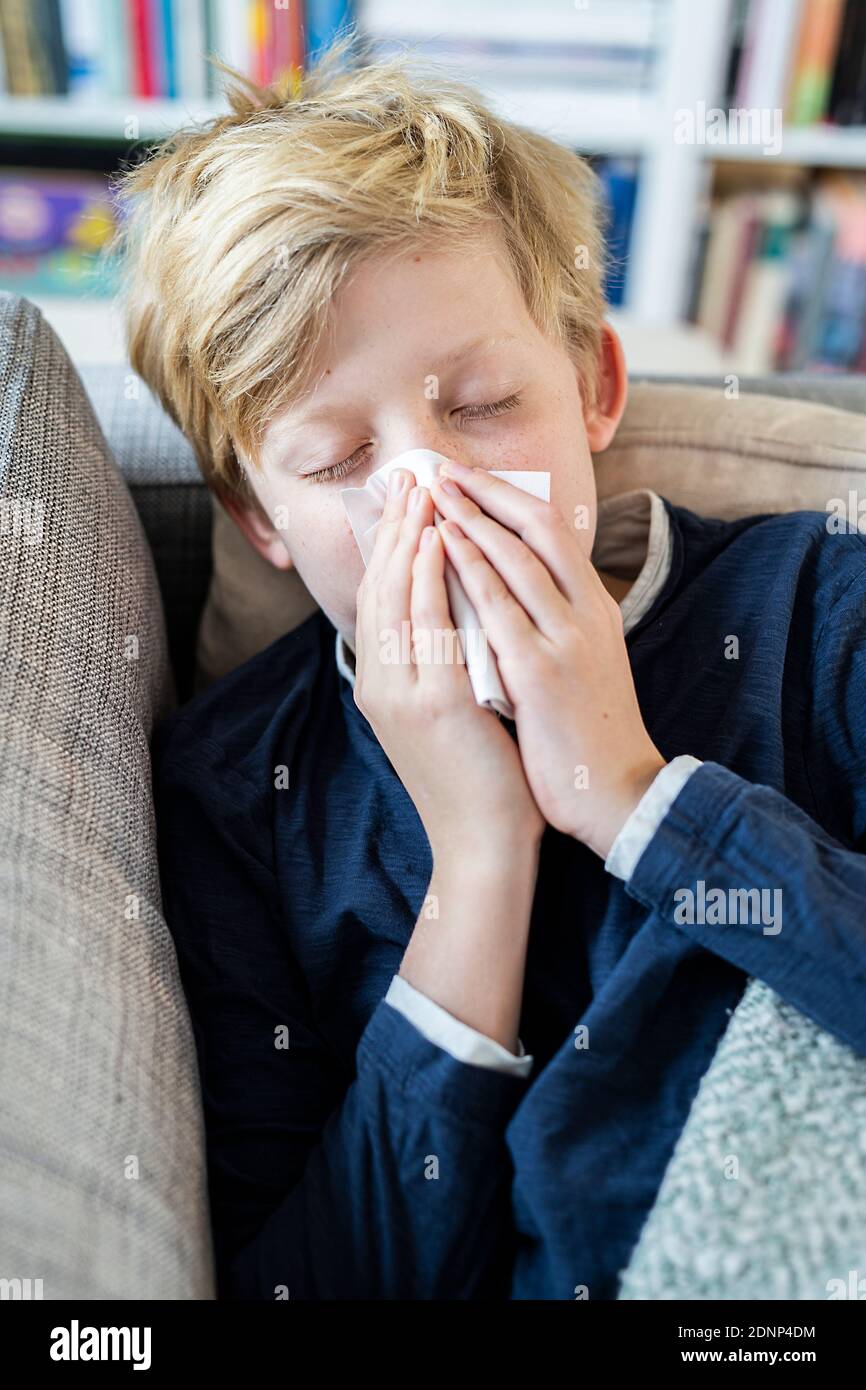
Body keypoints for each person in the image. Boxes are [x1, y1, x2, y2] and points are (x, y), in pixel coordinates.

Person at [119, 33, 866, 1299]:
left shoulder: (816, 606)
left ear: (591, 389)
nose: (432, 488)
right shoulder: (238, 794)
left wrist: (633, 795)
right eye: (334, 461)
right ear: (258, 522)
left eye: (476, 405)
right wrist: (478, 857)